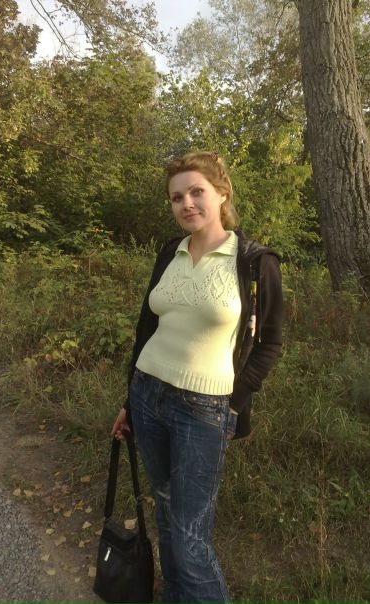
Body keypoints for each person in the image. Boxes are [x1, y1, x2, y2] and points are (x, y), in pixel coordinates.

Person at [112, 151, 283, 604]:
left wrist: (232, 405)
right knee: (166, 513)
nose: (186, 203)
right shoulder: (170, 251)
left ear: (222, 193)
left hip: (203, 410)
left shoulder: (254, 262)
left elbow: (269, 344)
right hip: (147, 395)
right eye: (176, 197)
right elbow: (146, 329)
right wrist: (129, 401)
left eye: (196, 192)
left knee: (190, 539)